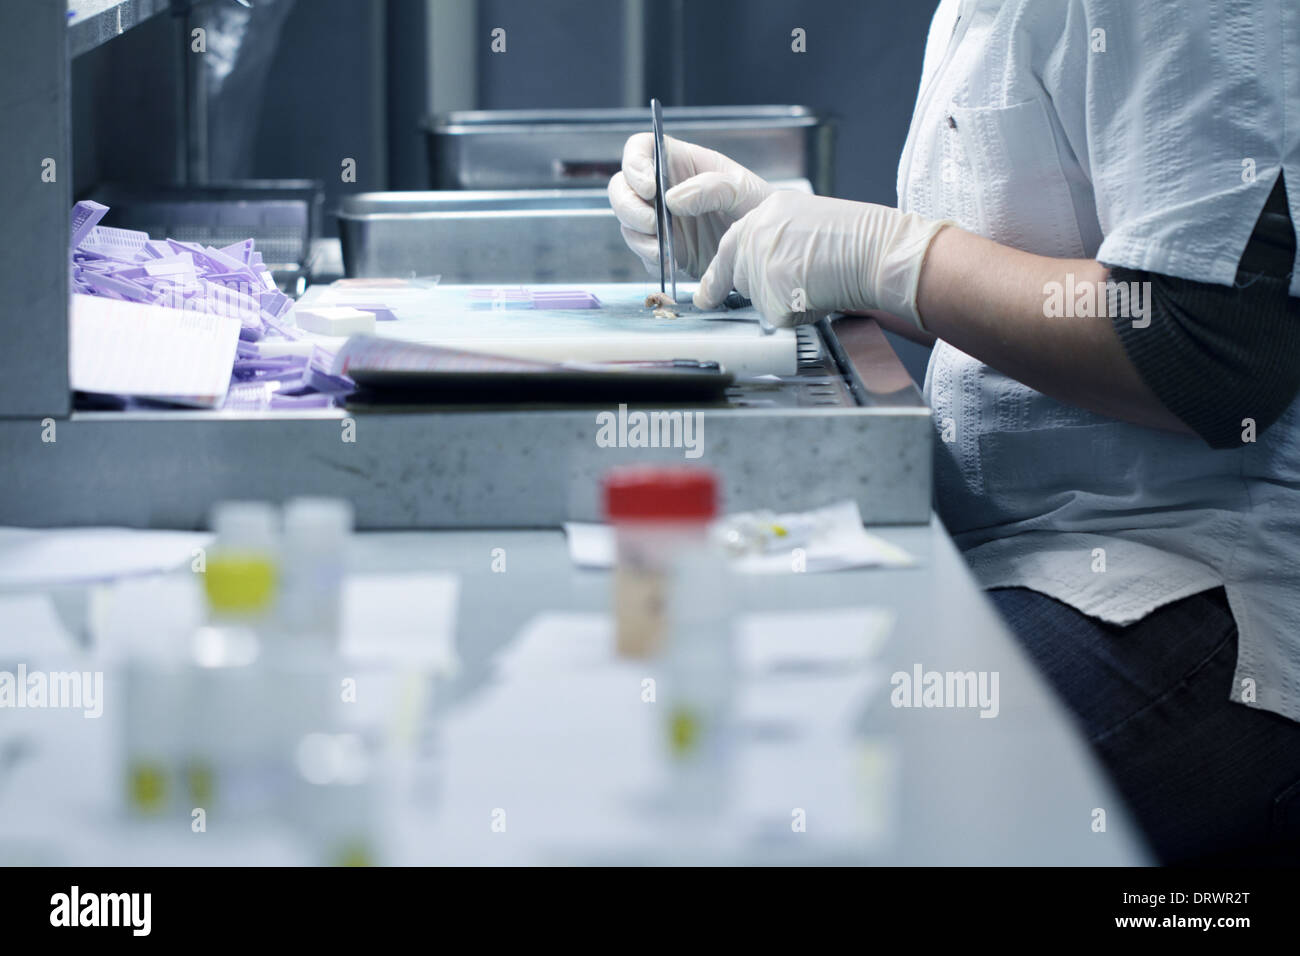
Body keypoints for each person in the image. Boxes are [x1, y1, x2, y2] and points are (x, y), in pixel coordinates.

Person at [610, 0, 1300, 864]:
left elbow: (1211, 346)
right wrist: (781, 242)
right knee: (702, 725)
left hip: (1191, 586)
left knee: (817, 804)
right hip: (1019, 557)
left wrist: (894, 255)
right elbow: (1028, 288)